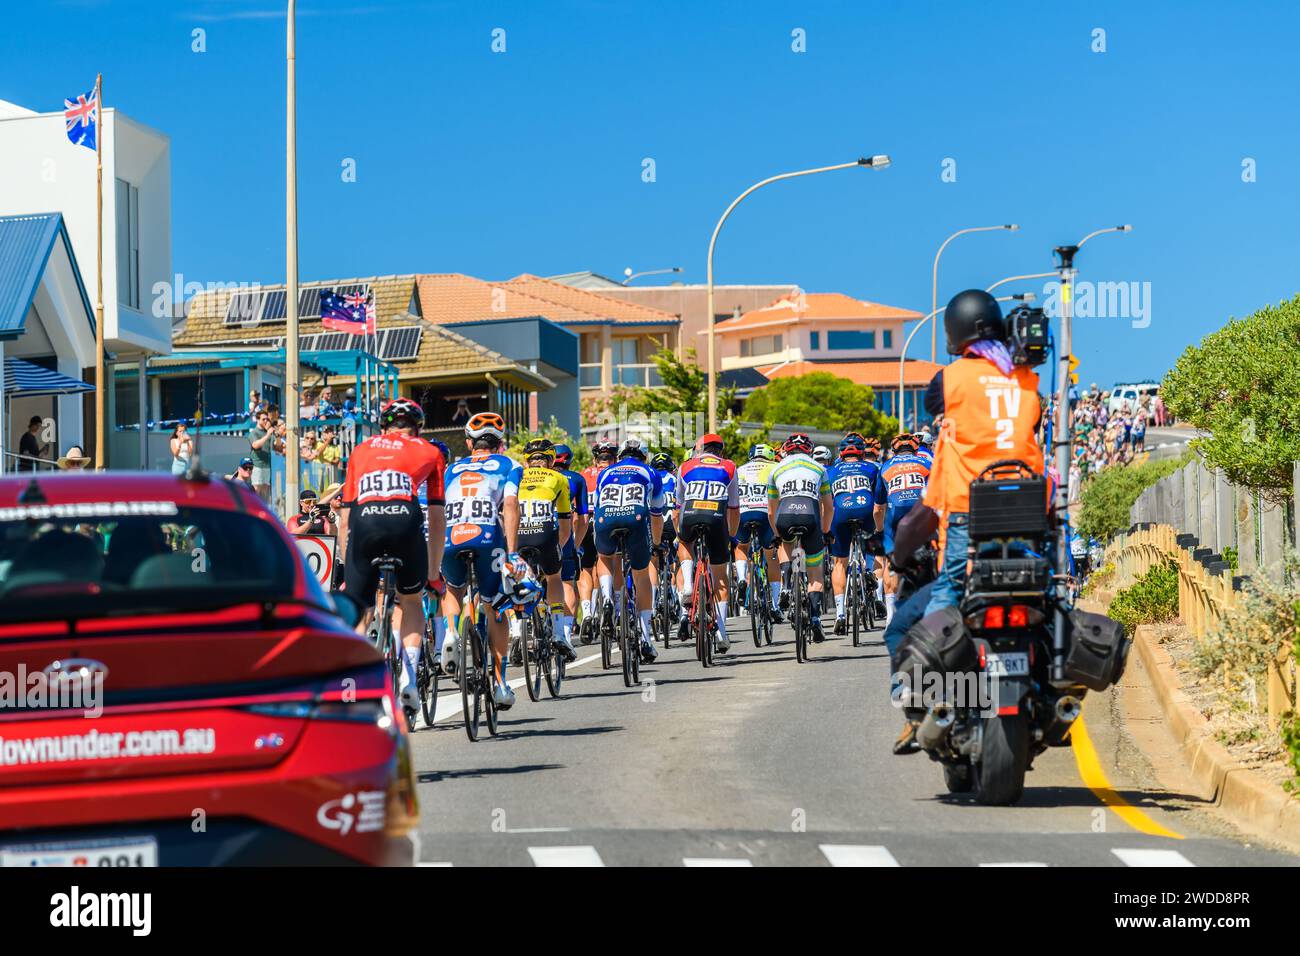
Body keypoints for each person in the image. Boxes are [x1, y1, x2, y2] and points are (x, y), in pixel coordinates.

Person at [918, 289, 1043, 618]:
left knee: (950, 587)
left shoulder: (950, 378)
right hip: (1027, 506)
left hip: (968, 508)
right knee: (1042, 583)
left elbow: (933, 407)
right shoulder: (1027, 378)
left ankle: (930, 666)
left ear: (955, 332)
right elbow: (1035, 421)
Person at [335, 398, 446, 712]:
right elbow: (437, 518)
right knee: (410, 600)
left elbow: (344, 519)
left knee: (359, 608)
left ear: (383, 427)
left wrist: (350, 568)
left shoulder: (361, 450)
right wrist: (434, 575)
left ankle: (353, 685)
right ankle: (409, 677)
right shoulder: (430, 451)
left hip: (364, 523)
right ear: (418, 427)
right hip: (405, 521)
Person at [439, 412, 517, 710]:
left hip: (451, 534)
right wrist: (512, 553)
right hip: (486, 536)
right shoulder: (509, 464)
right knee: (496, 604)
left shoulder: (451, 468)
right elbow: (509, 505)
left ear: (469, 443)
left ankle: (450, 633)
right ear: (500, 444)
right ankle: (499, 684)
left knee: (453, 588)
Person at [502, 438, 577, 662]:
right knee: (554, 577)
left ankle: (517, 631)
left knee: (515, 579)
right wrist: (559, 548)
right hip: (543, 534)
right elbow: (565, 521)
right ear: (551, 460)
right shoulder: (559, 477)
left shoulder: (515, 476)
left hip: (518, 534)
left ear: (527, 461)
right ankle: (557, 632)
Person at [593, 437, 665, 663]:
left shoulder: (605, 473)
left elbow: (597, 505)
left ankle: (606, 598)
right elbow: (656, 515)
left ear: (621, 455)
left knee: (604, 558)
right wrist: (655, 543)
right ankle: (645, 637)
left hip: (606, 519)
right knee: (641, 574)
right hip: (634, 519)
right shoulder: (650, 472)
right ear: (644, 456)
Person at [675, 433, 740, 653]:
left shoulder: (685, 466)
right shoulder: (730, 467)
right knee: (720, 576)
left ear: (699, 449)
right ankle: (721, 630)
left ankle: (686, 586)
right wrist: (730, 535)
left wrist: (679, 531)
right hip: (717, 518)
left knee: (684, 542)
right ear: (720, 451)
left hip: (691, 514)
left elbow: (679, 505)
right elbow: (733, 508)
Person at [767, 433, 833, 643]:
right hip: (811, 516)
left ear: (786, 449)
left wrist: (777, 534)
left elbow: (771, 511)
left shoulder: (776, 469)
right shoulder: (819, 468)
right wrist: (824, 531)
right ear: (809, 450)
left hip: (785, 516)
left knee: (785, 543)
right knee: (815, 574)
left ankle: (787, 585)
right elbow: (829, 507)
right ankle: (815, 618)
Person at [826, 435, 887, 634]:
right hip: (865, 510)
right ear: (861, 453)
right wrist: (879, 529)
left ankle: (840, 614)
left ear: (841, 454)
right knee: (873, 543)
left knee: (839, 563)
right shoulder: (873, 468)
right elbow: (879, 502)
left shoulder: (831, 470)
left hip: (840, 514)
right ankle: (869, 570)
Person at [878, 433, 931, 626]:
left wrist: (878, 530)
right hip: (919, 513)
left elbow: (878, 507)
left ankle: (890, 613)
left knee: (889, 560)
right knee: (933, 551)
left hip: (895, 516)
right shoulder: (926, 463)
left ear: (894, 450)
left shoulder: (885, 466)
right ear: (915, 449)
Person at [735, 443, 783, 623]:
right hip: (764, 513)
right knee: (772, 556)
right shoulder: (775, 467)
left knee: (741, 547)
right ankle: (775, 606)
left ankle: (741, 579)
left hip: (743, 512)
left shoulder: (740, 470)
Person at [577, 439, 618, 642]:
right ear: (615, 458)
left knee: (586, 568)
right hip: (607, 521)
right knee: (610, 561)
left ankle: (587, 613)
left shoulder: (584, 474)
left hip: (586, 523)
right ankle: (613, 602)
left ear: (595, 460)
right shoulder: (618, 473)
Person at [553, 443, 589, 654]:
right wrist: (574, 545)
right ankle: (565, 634)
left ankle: (521, 631)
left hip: (532, 532)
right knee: (567, 584)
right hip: (563, 536)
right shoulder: (576, 479)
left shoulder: (532, 476)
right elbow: (582, 519)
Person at [248, 410, 275, 501]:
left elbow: (277, 446)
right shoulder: (254, 433)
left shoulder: (267, 432)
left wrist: (277, 435)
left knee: (266, 491)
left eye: (267, 419)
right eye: (263, 419)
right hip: (257, 465)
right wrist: (267, 434)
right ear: (257, 420)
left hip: (267, 465)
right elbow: (255, 445)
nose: (266, 421)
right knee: (256, 490)